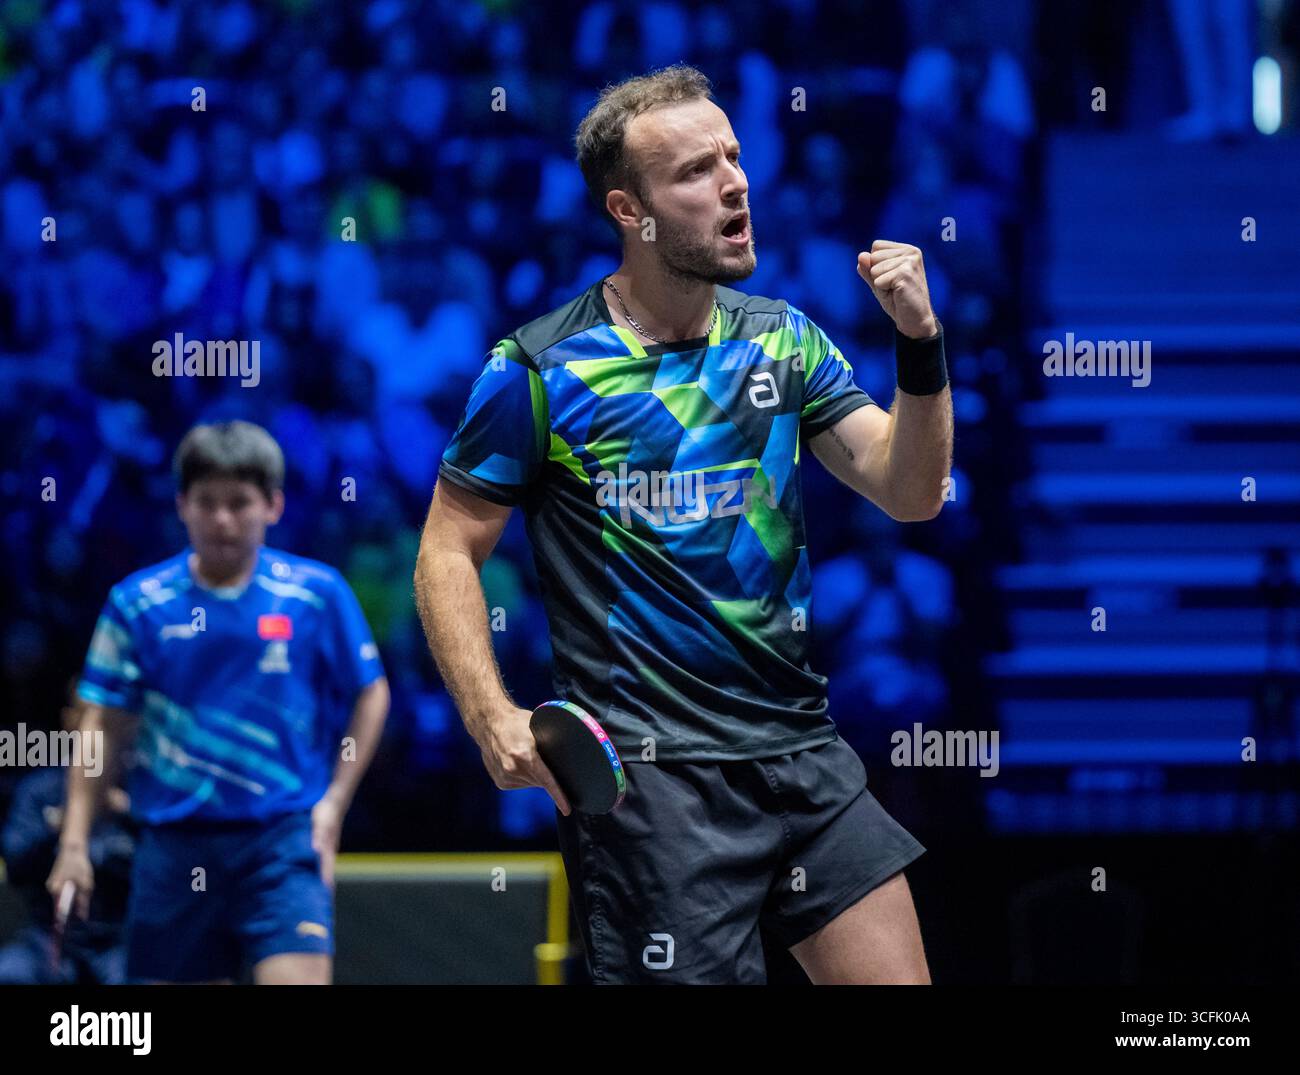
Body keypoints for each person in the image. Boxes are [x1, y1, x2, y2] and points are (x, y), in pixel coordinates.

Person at [415, 64, 952, 984]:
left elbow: (912, 491)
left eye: (735, 157)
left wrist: (920, 342)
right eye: (697, 171)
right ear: (631, 211)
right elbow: (446, 550)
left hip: (800, 753)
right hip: (654, 789)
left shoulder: (783, 341)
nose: (735, 182)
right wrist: (490, 714)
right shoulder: (541, 369)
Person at [47, 420, 389, 984]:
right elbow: (99, 726)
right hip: (174, 849)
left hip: (280, 843)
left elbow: (371, 691)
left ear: (273, 506)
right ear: (182, 504)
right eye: (206, 502)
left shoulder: (317, 593)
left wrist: (333, 804)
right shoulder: (136, 604)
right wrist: (75, 843)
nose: (223, 519)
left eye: (240, 502)